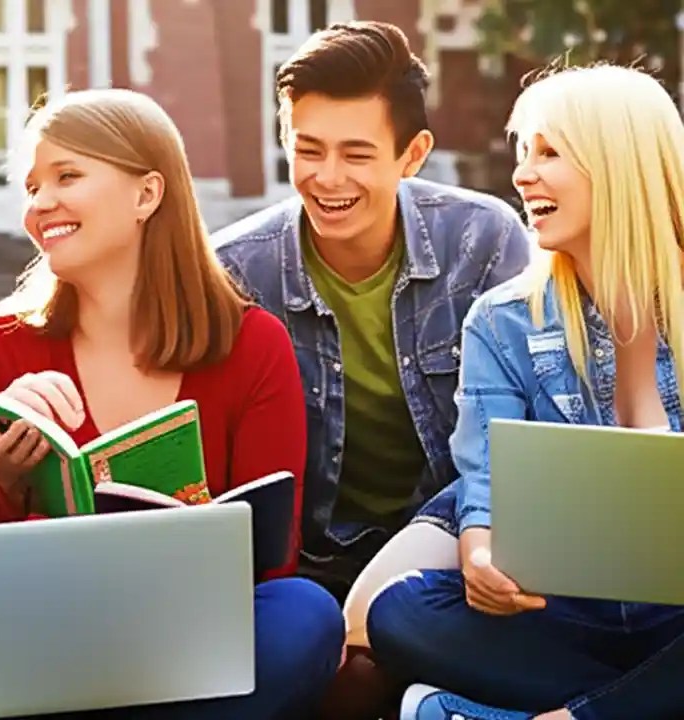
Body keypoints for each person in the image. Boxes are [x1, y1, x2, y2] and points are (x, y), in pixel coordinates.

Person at [0, 87, 346, 720]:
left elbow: (272, 558)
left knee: (306, 616)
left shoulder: (252, 344)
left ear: (148, 194)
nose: (41, 205)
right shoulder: (0, 350)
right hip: (42, 658)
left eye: (67, 176)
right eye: (32, 187)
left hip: (190, 654)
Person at [366, 63, 684, 720]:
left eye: (548, 152)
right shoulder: (502, 320)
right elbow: (482, 489)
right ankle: (639, 703)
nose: (521, 174)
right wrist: (480, 557)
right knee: (400, 612)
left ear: (617, 164)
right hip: (565, 615)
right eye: (522, 151)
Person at [212, 21, 533, 607]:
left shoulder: (484, 241)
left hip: (459, 544)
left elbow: (529, 427)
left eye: (356, 154)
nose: (328, 178)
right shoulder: (234, 273)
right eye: (308, 150)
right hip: (311, 565)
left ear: (413, 156)